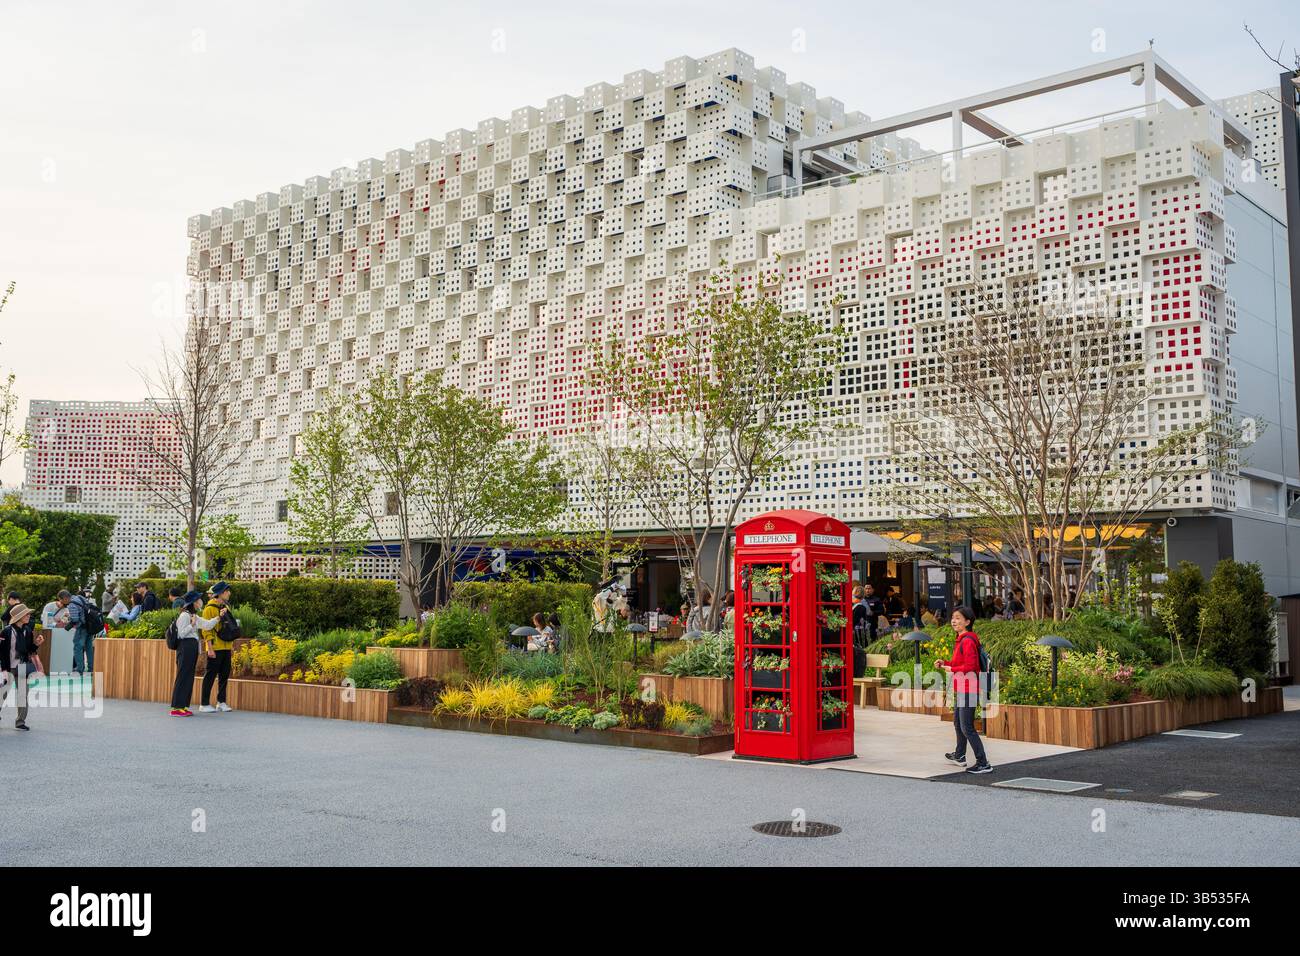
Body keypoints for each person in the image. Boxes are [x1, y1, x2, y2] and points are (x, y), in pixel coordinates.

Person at [937, 605, 992, 774]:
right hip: (962, 688)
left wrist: (951, 670)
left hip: (969, 688)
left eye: (959, 618)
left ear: (967, 622)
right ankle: (960, 755)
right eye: (953, 617)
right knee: (958, 722)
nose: (954, 621)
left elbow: (971, 666)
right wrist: (945, 663)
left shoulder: (967, 641)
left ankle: (983, 763)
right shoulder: (961, 639)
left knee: (967, 726)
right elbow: (960, 663)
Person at [170, 590, 222, 717]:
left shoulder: (194, 615)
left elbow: (207, 625)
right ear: (193, 602)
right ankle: (176, 708)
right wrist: (192, 625)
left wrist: (219, 617)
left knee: (188, 676)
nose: (200, 602)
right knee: (183, 676)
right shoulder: (185, 616)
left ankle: (183, 706)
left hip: (192, 648)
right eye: (198, 600)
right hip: (185, 648)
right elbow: (181, 634)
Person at [0, 602, 42, 731]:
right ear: (19, 616)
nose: (29, 615)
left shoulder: (27, 630)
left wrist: (36, 644)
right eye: (26, 614)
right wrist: (4, 670)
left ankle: (20, 721)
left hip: (22, 666)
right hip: (9, 667)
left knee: (23, 694)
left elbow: (29, 650)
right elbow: (1, 652)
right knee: (3, 693)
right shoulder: (6, 632)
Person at [198, 582, 237, 713]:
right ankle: (204, 703)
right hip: (215, 647)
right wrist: (209, 648)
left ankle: (221, 702)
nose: (229, 593)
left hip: (226, 646)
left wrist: (231, 646)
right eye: (227, 591)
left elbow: (230, 627)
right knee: (210, 675)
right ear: (221, 593)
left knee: (224, 675)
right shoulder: (209, 609)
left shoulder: (226, 607)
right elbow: (206, 630)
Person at [60, 589, 101, 677]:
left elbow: (75, 619)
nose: (61, 602)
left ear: (64, 598)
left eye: (61, 600)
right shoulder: (80, 597)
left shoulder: (72, 604)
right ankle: (91, 669)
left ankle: (79, 669)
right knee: (89, 647)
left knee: (77, 647)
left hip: (82, 628)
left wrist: (67, 626)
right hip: (90, 627)